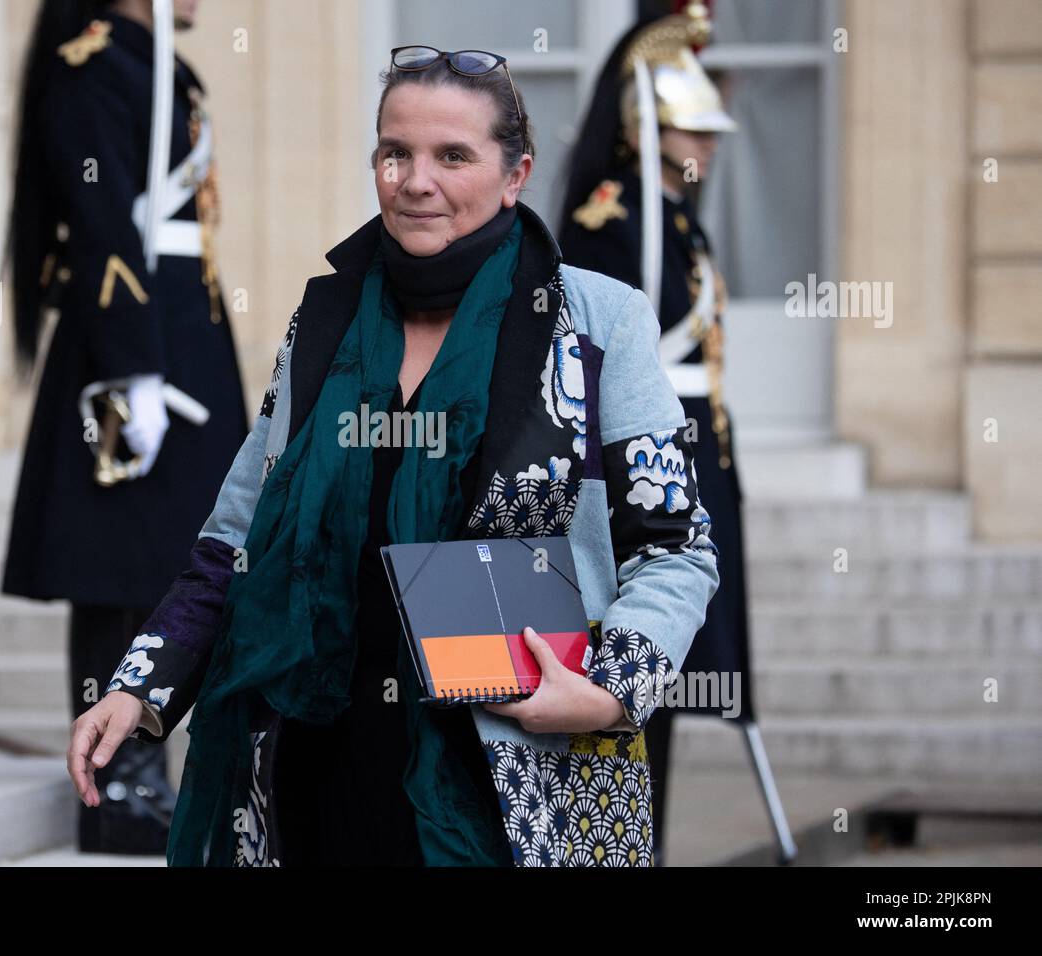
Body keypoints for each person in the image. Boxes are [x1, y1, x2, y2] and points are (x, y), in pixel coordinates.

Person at [69, 43, 718, 867]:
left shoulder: (600, 322)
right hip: (320, 762)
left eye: (454, 155)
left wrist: (607, 691)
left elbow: (674, 548)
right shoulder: (326, 320)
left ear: (516, 173)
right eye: (394, 153)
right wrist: (140, 685)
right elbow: (235, 536)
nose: (417, 181)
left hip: (524, 771)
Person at [2, 0, 248, 854]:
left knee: (180, 555)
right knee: (119, 563)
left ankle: (152, 764)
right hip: (130, 341)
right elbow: (104, 224)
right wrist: (130, 365)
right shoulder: (95, 63)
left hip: (183, 336)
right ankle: (116, 785)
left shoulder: (158, 65)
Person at [556, 2, 757, 865]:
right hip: (641, 457)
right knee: (634, 661)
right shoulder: (610, 221)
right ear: (645, 126)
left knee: (675, 664)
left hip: (697, 453)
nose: (706, 146)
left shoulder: (676, 220)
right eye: (688, 129)